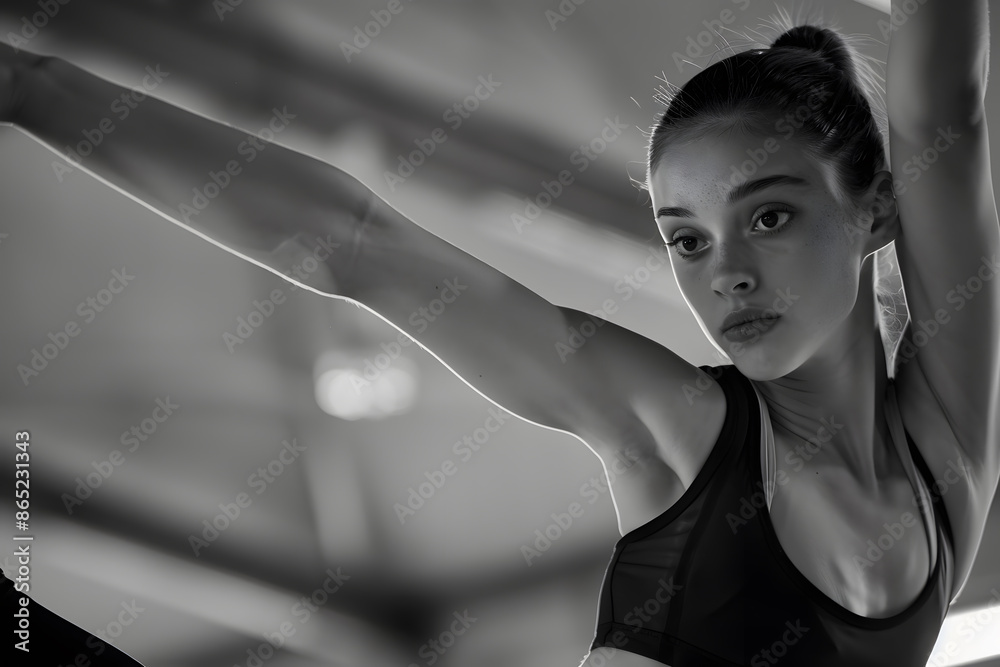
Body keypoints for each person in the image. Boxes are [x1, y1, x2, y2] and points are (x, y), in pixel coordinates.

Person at [1, 2, 997, 665]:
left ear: (873, 212)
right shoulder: (681, 424)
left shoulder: (945, 456)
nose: (724, 271)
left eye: (769, 215)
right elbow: (353, 244)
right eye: (684, 239)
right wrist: (29, 85)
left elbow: (939, 114)